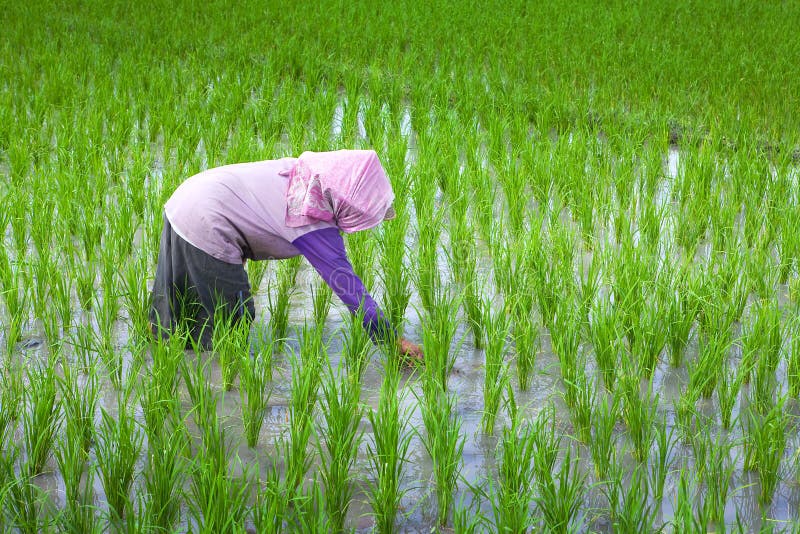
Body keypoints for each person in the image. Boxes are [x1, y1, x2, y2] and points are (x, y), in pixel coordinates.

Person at [149, 149, 423, 362]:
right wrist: (392, 341)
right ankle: (219, 385)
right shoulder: (311, 221)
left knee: (177, 305)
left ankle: (160, 359)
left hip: (187, 197)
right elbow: (351, 290)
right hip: (207, 220)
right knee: (232, 319)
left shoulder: (309, 176)